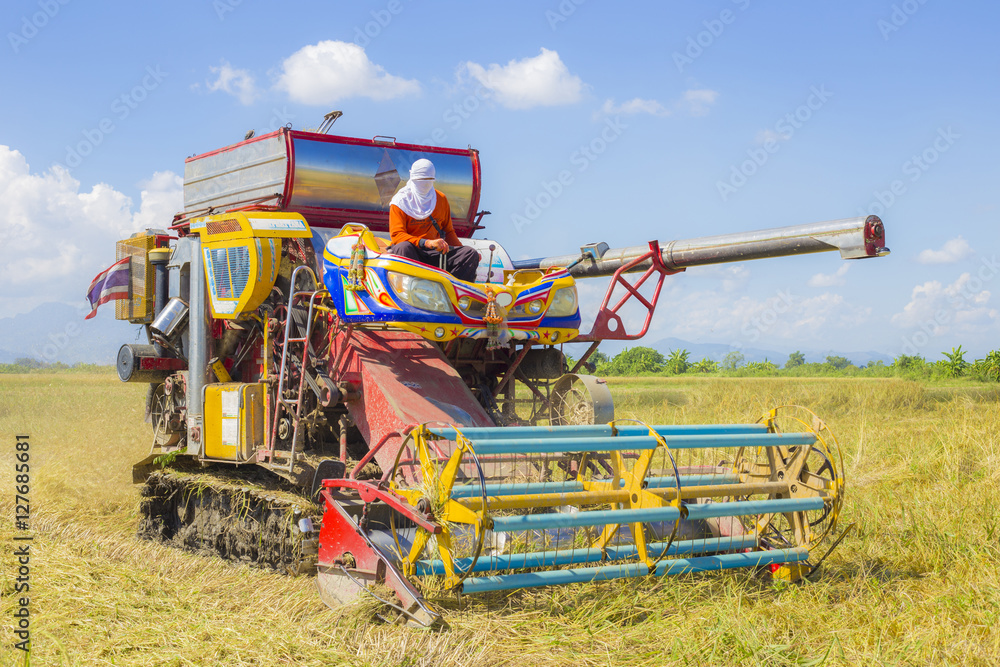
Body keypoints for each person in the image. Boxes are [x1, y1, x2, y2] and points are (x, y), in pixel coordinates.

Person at [387, 158, 480, 282]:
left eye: (429, 180)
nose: (425, 184)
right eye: (421, 181)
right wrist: (426, 243)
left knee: (470, 253)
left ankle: (453, 293)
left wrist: (465, 253)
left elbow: (448, 232)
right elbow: (397, 236)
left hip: (435, 253)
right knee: (403, 247)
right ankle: (408, 290)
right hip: (413, 253)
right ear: (412, 179)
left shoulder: (440, 199)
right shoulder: (400, 202)